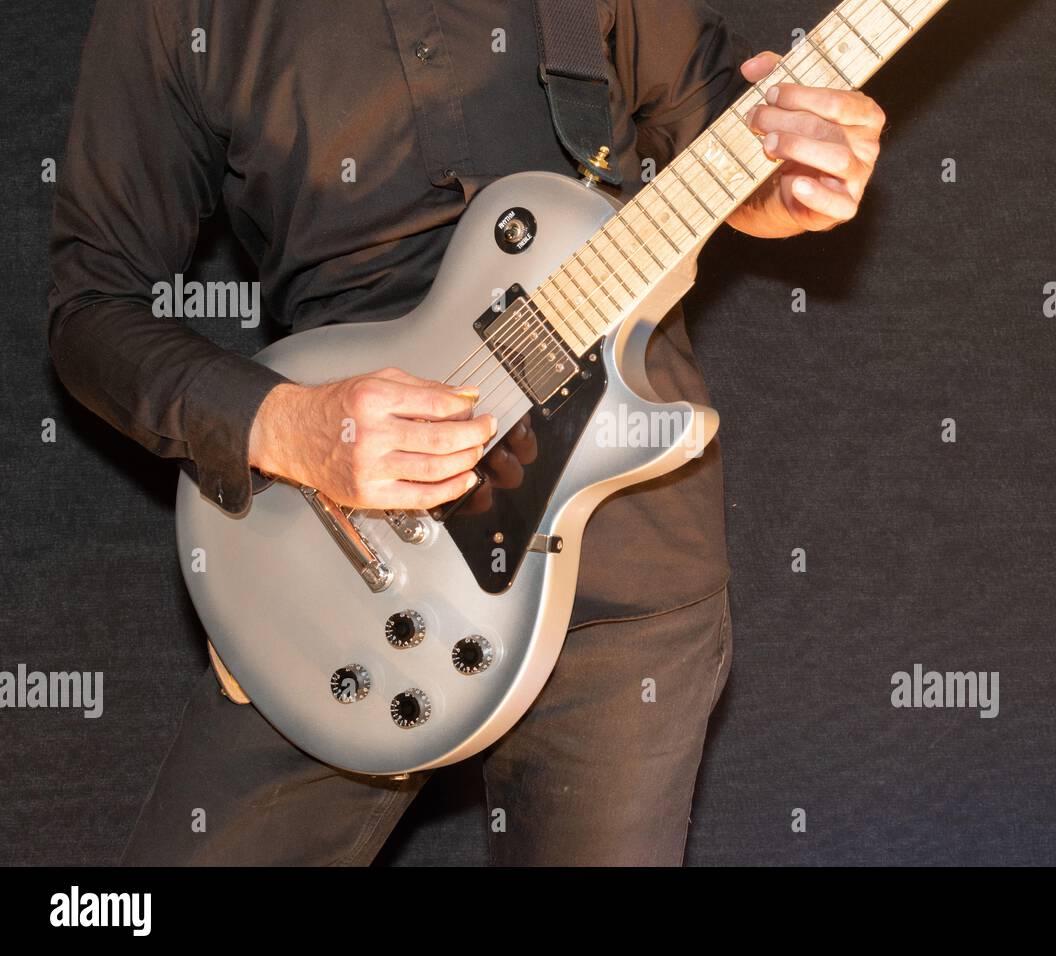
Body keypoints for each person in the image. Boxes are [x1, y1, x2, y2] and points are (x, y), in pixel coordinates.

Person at [47, 0, 884, 865]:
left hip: (619, 545)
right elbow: (91, 311)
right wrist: (290, 426)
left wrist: (789, 181)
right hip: (332, 553)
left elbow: (725, 145)